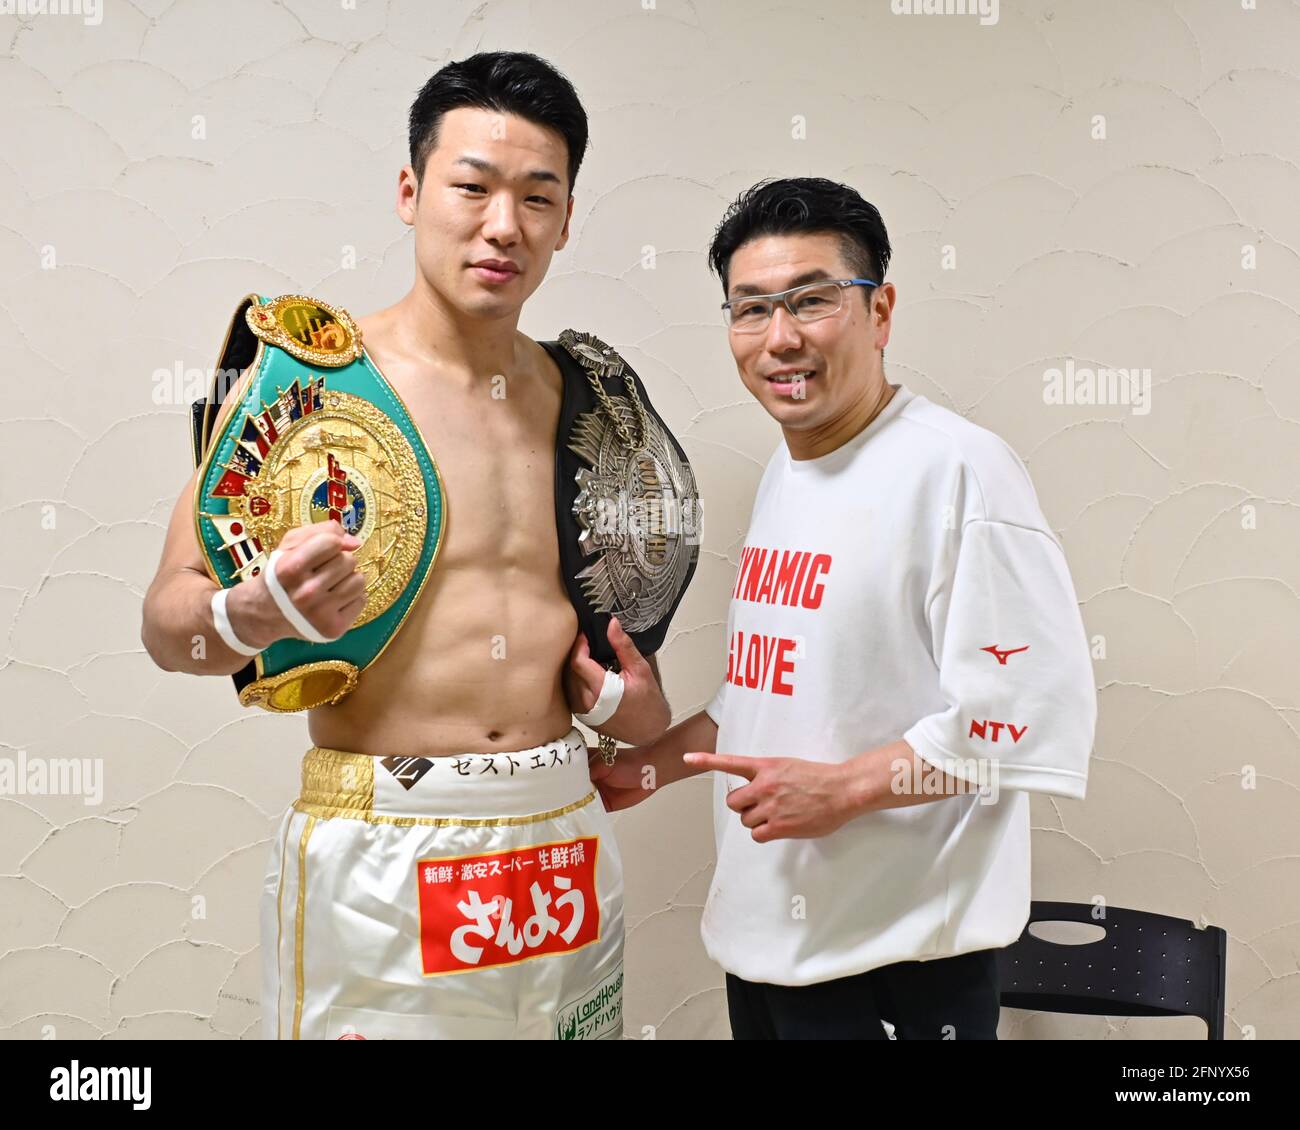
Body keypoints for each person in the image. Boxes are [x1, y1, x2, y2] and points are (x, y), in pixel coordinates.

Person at [140, 52, 700, 1041]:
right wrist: (250, 611)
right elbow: (167, 628)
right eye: (471, 187)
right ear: (410, 191)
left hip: (559, 830)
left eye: (537, 197)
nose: (502, 225)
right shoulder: (308, 385)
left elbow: (623, 671)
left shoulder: (592, 407)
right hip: (386, 837)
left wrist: (634, 711)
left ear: (566, 220)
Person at [591, 177, 1097, 1040]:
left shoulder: (960, 471)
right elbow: (775, 705)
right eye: (750, 309)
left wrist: (843, 792)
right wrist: (645, 767)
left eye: (811, 300)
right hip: (771, 952)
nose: (779, 337)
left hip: (897, 970)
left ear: (880, 310)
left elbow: (1022, 721)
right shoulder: (791, 472)